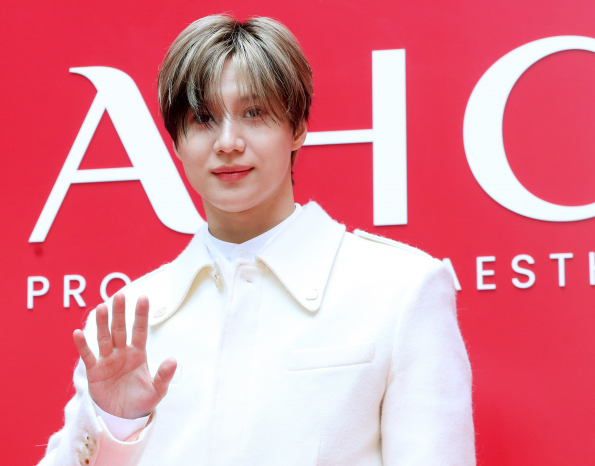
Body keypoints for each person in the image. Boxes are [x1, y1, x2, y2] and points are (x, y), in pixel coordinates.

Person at [38, 14, 475, 466]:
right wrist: (116, 426)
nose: (228, 142)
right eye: (203, 118)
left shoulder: (400, 291)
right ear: (175, 142)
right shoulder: (125, 322)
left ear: (298, 128)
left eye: (254, 113)